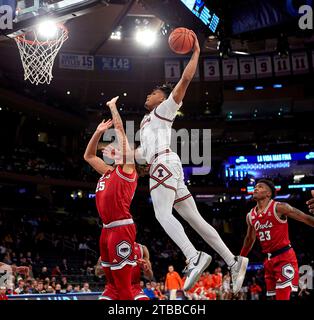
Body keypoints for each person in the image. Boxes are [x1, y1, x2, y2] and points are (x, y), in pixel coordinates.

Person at [137, 29, 248, 293]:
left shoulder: (163, 110)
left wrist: (196, 52)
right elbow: (141, 154)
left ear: (160, 99)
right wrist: (121, 155)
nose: (147, 96)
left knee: (161, 213)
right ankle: (233, 261)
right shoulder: (146, 122)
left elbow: (185, 80)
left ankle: (193, 256)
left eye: (151, 93)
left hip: (164, 164)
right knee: (196, 220)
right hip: (166, 164)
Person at [84, 96, 138, 300]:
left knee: (123, 287)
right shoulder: (108, 172)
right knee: (111, 284)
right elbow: (89, 156)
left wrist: (113, 107)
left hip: (121, 227)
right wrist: (97, 133)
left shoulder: (128, 171)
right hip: (106, 229)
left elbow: (120, 131)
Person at [240, 179, 314, 300]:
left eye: (260, 187)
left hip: (285, 257)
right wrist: (241, 258)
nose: (256, 188)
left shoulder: (279, 207)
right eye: (255, 187)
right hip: (268, 261)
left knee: (282, 297)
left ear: (268, 194)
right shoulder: (250, 216)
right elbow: (249, 239)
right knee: (274, 297)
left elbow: (305, 218)